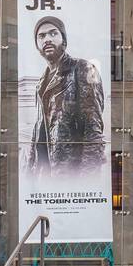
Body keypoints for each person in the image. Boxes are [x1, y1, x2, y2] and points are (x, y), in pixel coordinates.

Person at [24, 15, 106, 176]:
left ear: (64, 40)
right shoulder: (41, 83)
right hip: (44, 177)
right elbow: (39, 133)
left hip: (70, 175)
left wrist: (86, 180)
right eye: (41, 36)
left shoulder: (83, 68)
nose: (47, 39)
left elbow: (93, 130)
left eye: (53, 33)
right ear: (37, 44)